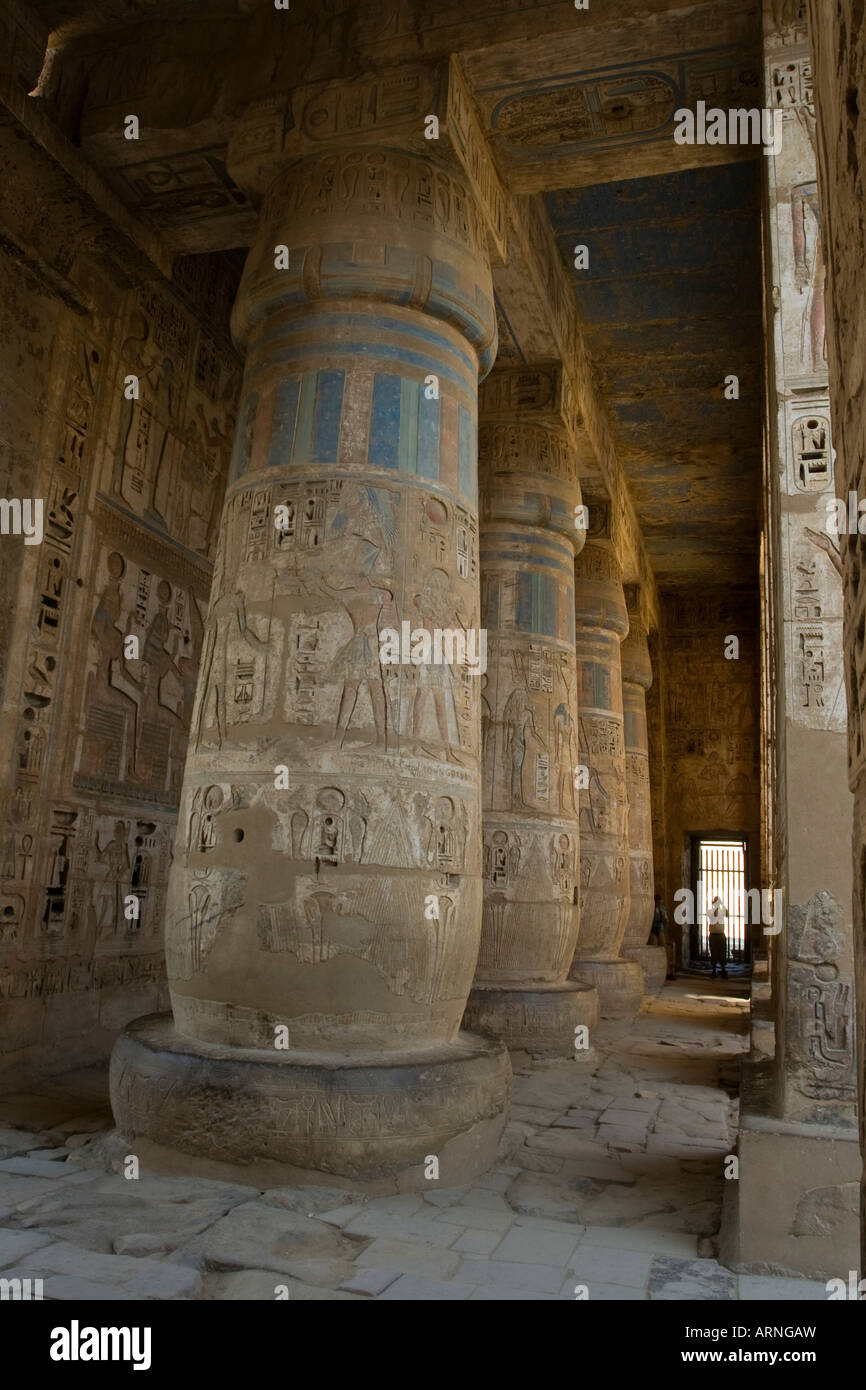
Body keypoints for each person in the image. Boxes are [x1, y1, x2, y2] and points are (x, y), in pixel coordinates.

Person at [648, 894, 675, 979]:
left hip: (659, 930)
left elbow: (666, 922)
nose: (659, 904)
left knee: (663, 951)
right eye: (657, 902)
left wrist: (664, 920)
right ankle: (653, 970)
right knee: (653, 950)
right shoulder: (650, 909)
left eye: (660, 902)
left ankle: (667, 972)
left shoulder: (663, 909)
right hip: (652, 931)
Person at [708, 895, 728, 979]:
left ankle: (723, 970)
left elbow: (727, 914)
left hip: (720, 935)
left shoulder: (722, 911)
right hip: (713, 935)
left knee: (722, 953)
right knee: (714, 953)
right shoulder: (710, 911)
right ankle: (714, 971)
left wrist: (722, 904)